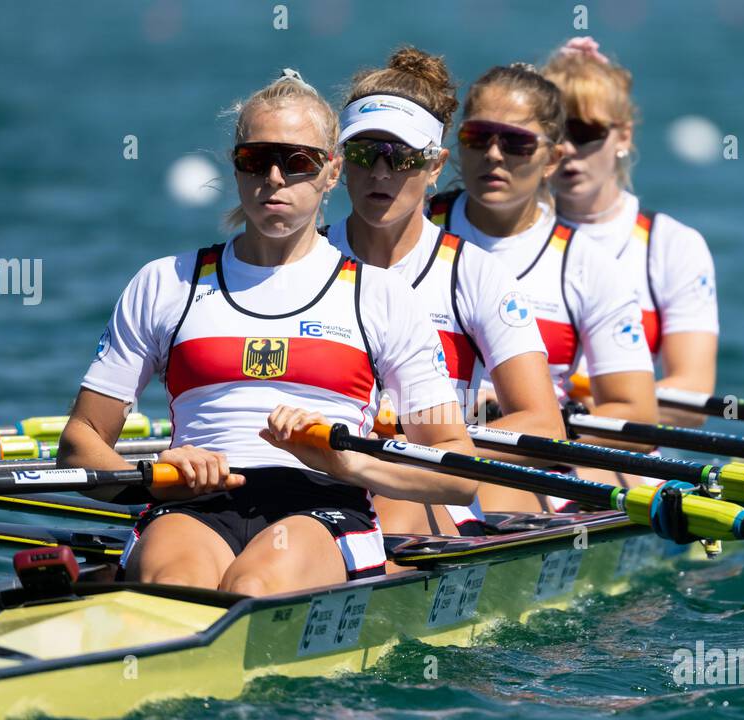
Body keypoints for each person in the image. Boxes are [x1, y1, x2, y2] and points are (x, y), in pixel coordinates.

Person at [57, 70, 475, 594]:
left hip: (323, 505)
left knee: (253, 586)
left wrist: (347, 461)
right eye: (255, 160)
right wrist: (155, 481)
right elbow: (80, 443)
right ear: (236, 169)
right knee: (174, 584)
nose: (274, 177)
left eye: (297, 161)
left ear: (331, 172)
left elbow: (457, 476)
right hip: (193, 505)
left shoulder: (382, 298)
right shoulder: (167, 283)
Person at [326, 47, 564, 534]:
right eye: (363, 152)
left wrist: (437, 442)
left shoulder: (476, 275)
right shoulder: (302, 259)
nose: (380, 172)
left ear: (435, 166)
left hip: (427, 485)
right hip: (317, 477)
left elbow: (542, 422)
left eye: (401, 158)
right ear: (338, 161)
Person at [427, 62, 658, 509]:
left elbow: (637, 412)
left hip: (526, 462)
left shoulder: (586, 265)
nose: (494, 155)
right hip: (412, 444)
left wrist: (540, 422)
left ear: (552, 158)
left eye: (516, 142)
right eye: (478, 138)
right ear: (458, 145)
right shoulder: (411, 230)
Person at [544, 37, 719, 428]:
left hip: (618, 450)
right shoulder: (508, 233)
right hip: (522, 449)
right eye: (555, 133)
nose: (568, 149)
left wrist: (589, 412)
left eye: (585, 131)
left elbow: (692, 393)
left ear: (623, 136)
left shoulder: (673, 246)